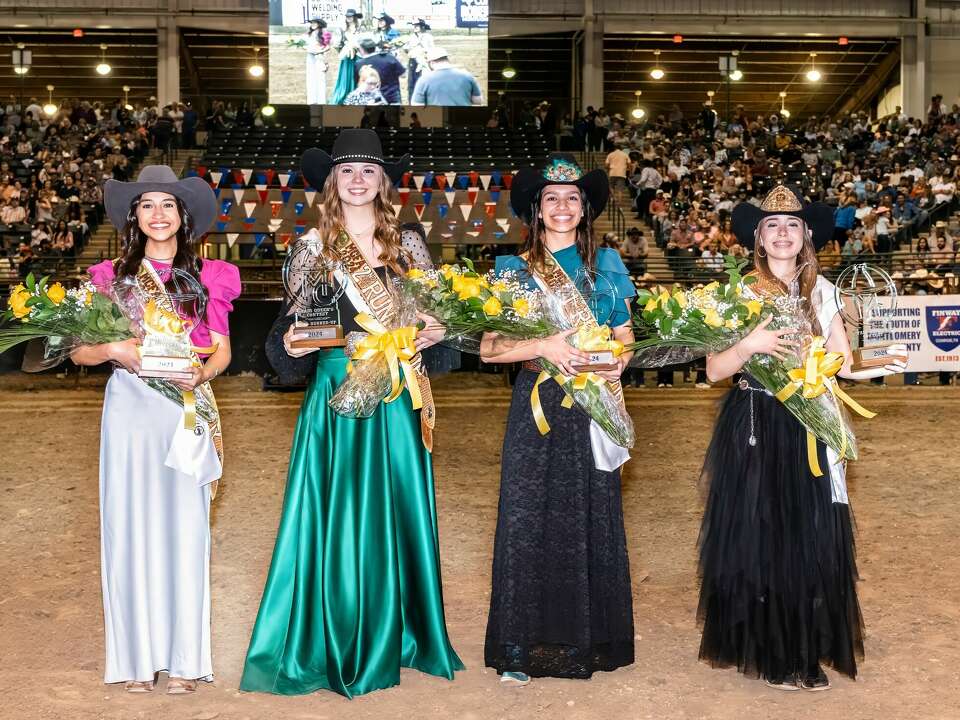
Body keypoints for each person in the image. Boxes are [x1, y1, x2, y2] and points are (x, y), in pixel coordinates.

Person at [240, 130, 463, 698]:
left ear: (383, 181)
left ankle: (405, 634)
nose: (358, 180)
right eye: (347, 171)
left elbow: (435, 316)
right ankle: (335, 633)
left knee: (396, 506)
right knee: (336, 511)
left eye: (369, 170)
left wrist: (435, 331)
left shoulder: (408, 243)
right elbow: (293, 327)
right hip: (336, 390)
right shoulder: (311, 247)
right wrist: (291, 344)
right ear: (332, 183)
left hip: (396, 390)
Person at [697, 185, 907, 691]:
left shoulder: (825, 291)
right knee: (762, 535)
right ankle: (771, 651)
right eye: (772, 225)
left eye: (792, 224)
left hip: (811, 422)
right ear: (758, 237)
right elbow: (714, 370)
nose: (783, 233)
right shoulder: (739, 292)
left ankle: (804, 649)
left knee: (809, 536)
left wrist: (881, 362)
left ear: (807, 234)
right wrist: (750, 343)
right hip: (755, 423)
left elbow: (843, 363)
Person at [71, 165, 239, 694]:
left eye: (168, 204)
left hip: (184, 408)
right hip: (129, 410)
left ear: (183, 216)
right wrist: (113, 349)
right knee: (130, 528)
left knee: (186, 529)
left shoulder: (211, 275)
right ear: (134, 216)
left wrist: (204, 373)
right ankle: (136, 660)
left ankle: (186, 660)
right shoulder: (108, 277)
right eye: (147, 204)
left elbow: (221, 350)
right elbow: (78, 353)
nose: (158, 214)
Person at [480, 154, 636, 685]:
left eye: (572, 198)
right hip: (536, 405)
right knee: (526, 519)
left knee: (590, 514)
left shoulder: (608, 263)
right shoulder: (512, 269)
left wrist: (618, 362)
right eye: (552, 198)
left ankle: (587, 643)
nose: (562, 206)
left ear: (584, 209)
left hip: (592, 403)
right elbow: (490, 349)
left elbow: (625, 338)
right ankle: (519, 648)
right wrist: (542, 345)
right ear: (537, 209)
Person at [410, 47, 483, 107]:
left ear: (432, 62)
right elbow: (478, 100)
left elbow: (416, 104)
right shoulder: (467, 75)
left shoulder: (424, 79)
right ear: (446, 59)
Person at [355, 35, 405, 104]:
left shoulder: (359, 64)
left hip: (372, 99)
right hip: (393, 96)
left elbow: (358, 83)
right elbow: (403, 74)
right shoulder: (389, 57)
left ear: (362, 50)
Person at [330, 8, 363, 105]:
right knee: (346, 75)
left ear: (354, 17)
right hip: (347, 56)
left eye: (350, 16)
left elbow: (363, 41)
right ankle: (345, 94)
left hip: (358, 56)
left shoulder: (360, 28)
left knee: (357, 75)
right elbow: (337, 44)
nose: (348, 18)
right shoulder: (342, 29)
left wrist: (357, 47)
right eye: (347, 16)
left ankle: (356, 95)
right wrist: (344, 50)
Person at [303, 18, 331, 105]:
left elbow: (328, 46)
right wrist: (305, 48)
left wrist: (320, 51)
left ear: (319, 24)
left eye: (314, 23)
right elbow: (304, 44)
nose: (312, 24)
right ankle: (312, 100)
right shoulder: (309, 34)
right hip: (310, 56)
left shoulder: (325, 33)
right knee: (311, 77)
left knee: (320, 78)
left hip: (320, 57)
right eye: (312, 23)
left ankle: (321, 100)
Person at [404, 19, 434, 100]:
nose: (415, 27)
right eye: (414, 26)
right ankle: (411, 102)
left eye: (417, 26)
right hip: (412, 60)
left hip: (423, 61)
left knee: (422, 82)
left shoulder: (428, 37)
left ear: (422, 27)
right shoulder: (411, 37)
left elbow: (432, 49)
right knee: (411, 83)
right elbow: (406, 49)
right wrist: (407, 48)